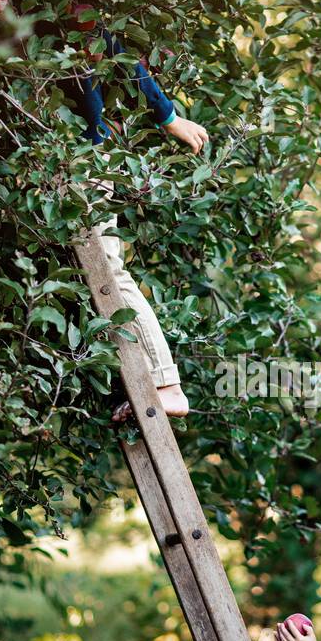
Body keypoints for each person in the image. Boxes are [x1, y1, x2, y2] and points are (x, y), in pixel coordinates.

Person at [68, 26, 208, 421]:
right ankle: (150, 381)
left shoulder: (73, 8)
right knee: (93, 275)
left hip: (82, 158)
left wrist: (168, 117)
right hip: (70, 155)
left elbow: (120, 54)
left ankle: (166, 384)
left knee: (107, 270)